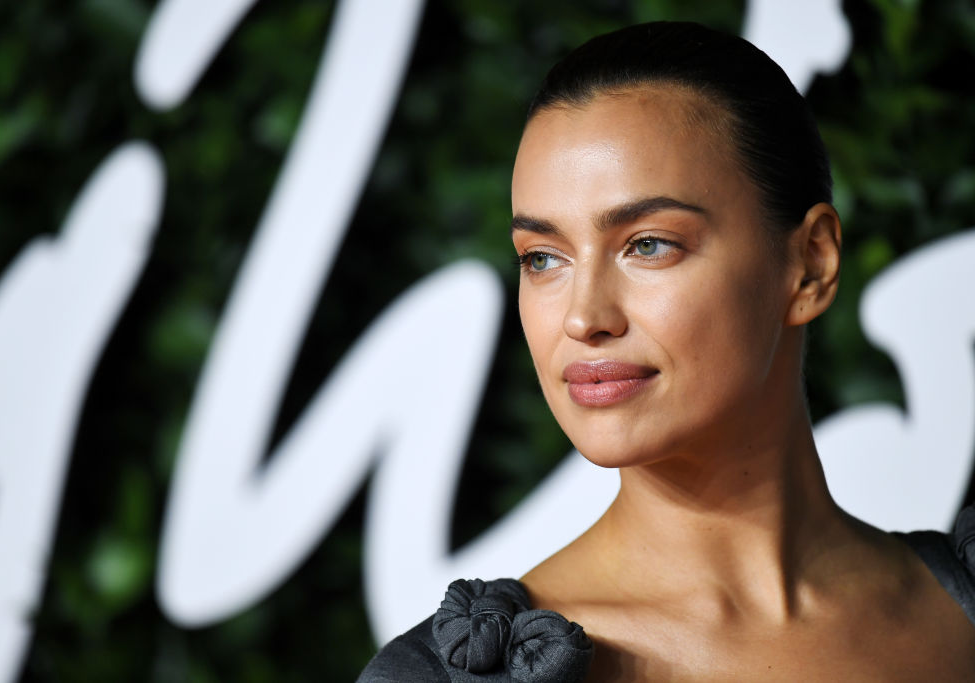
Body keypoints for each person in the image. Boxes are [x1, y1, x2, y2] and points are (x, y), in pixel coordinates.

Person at [358, 21, 975, 682]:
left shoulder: (956, 606)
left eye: (648, 244)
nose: (585, 317)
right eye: (542, 258)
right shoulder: (449, 672)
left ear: (810, 263)